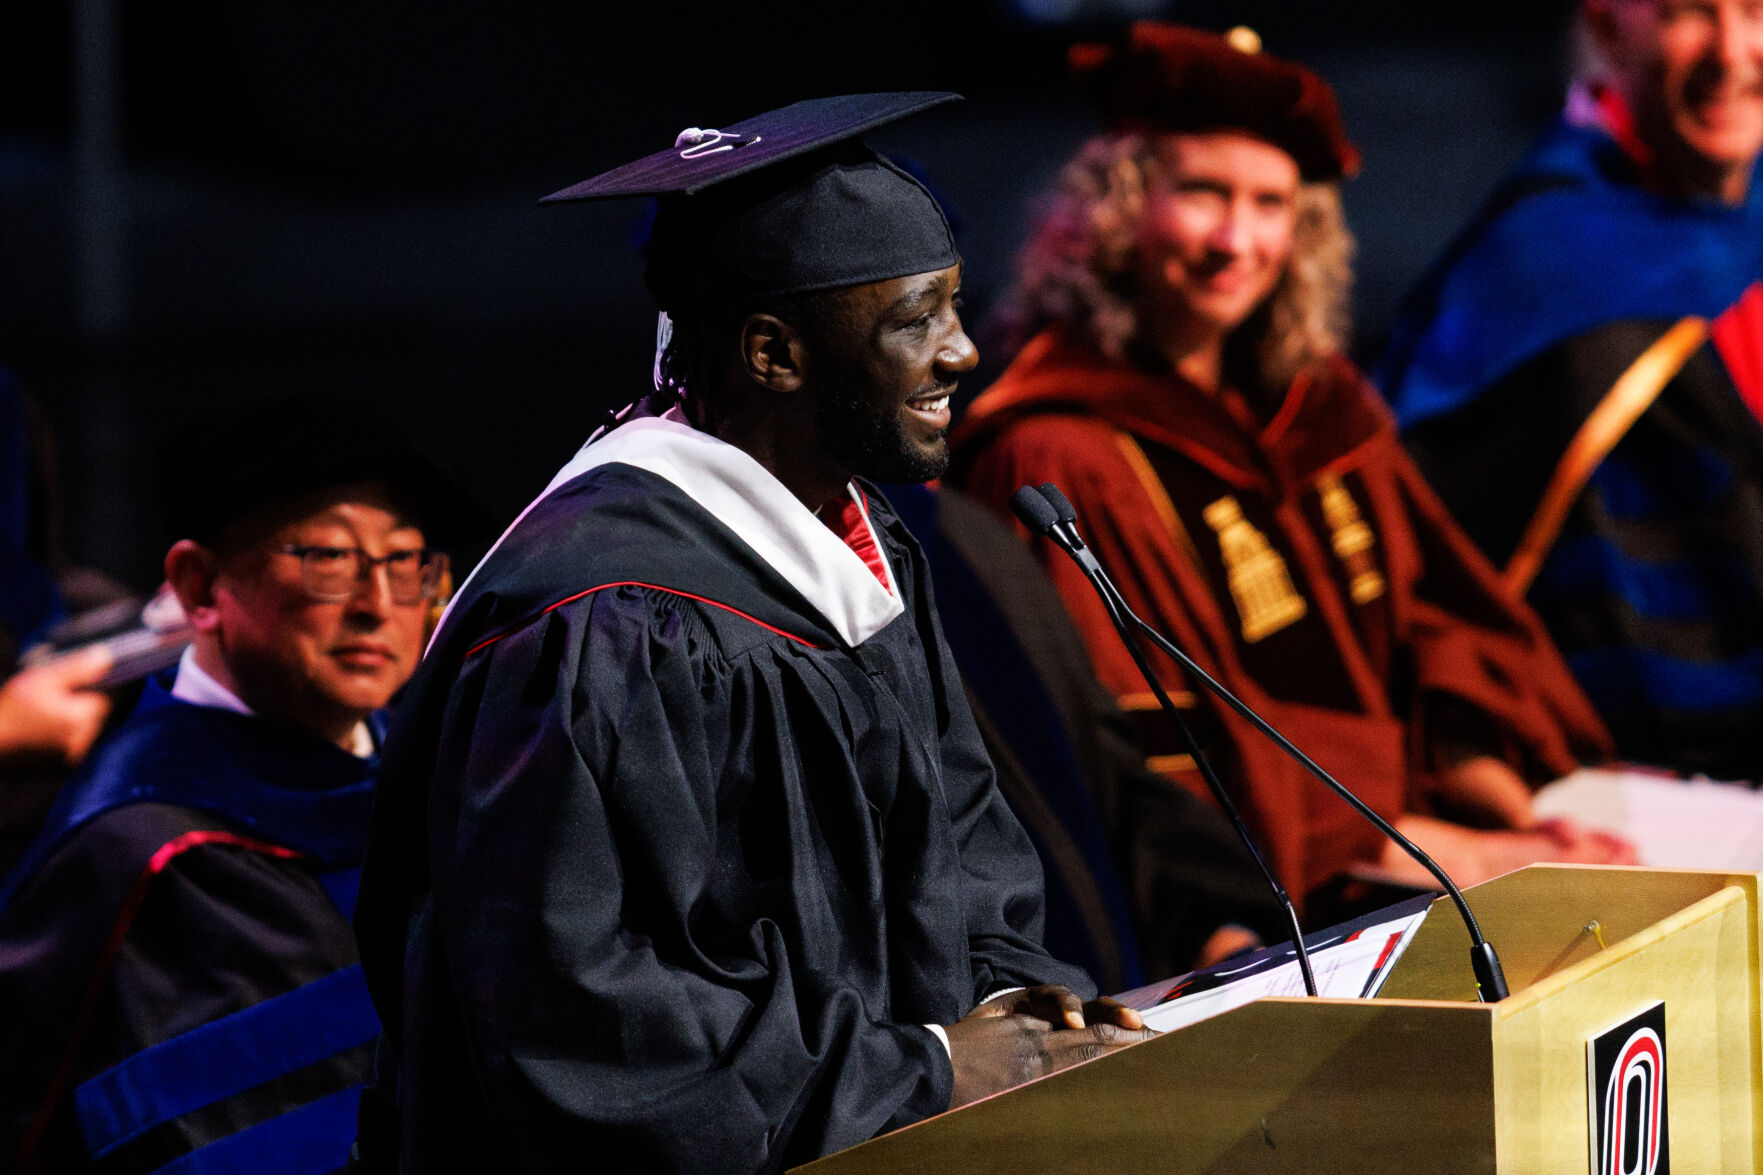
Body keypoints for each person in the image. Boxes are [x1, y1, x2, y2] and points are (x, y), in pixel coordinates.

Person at [351, 94, 1151, 1175]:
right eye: (915, 318)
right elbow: (581, 1014)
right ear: (774, 353)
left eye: (954, 307)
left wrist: (1014, 1004)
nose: (963, 350)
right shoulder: (598, 619)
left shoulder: (854, 544)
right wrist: (924, 1068)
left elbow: (962, 833)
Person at [951, 24, 1632, 913]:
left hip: (1426, 851)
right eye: (1201, 193)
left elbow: (1436, 623)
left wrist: (1519, 816)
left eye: (1270, 203)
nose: (1237, 240)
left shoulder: (1322, 409)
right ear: (1116, 206)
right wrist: (1455, 850)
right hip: (1264, 908)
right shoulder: (1054, 453)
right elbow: (1147, 763)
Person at [0, 399, 464, 1174]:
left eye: (406, 562)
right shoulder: (145, 852)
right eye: (329, 560)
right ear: (199, 585)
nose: (377, 607)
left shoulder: (427, 783)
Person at [1379, 0, 1763, 781]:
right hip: (1647, 774)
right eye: (1686, 12)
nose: (1730, 51)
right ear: (1606, 27)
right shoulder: (1534, 263)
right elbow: (1431, 551)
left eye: (1755, 11)